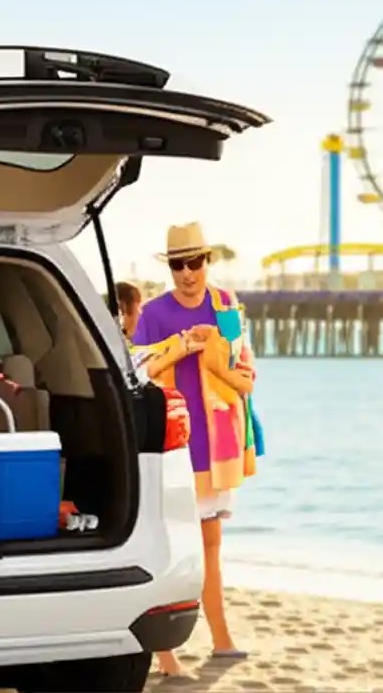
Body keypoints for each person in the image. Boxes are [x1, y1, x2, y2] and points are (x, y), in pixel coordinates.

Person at [130, 222, 257, 677]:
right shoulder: (155, 313)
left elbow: (246, 376)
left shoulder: (225, 306)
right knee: (174, 550)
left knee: (210, 546)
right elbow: (138, 370)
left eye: (195, 263)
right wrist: (183, 344)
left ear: (207, 261)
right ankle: (166, 655)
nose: (187, 274)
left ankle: (222, 639)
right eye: (179, 265)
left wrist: (215, 359)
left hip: (216, 444)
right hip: (174, 444)